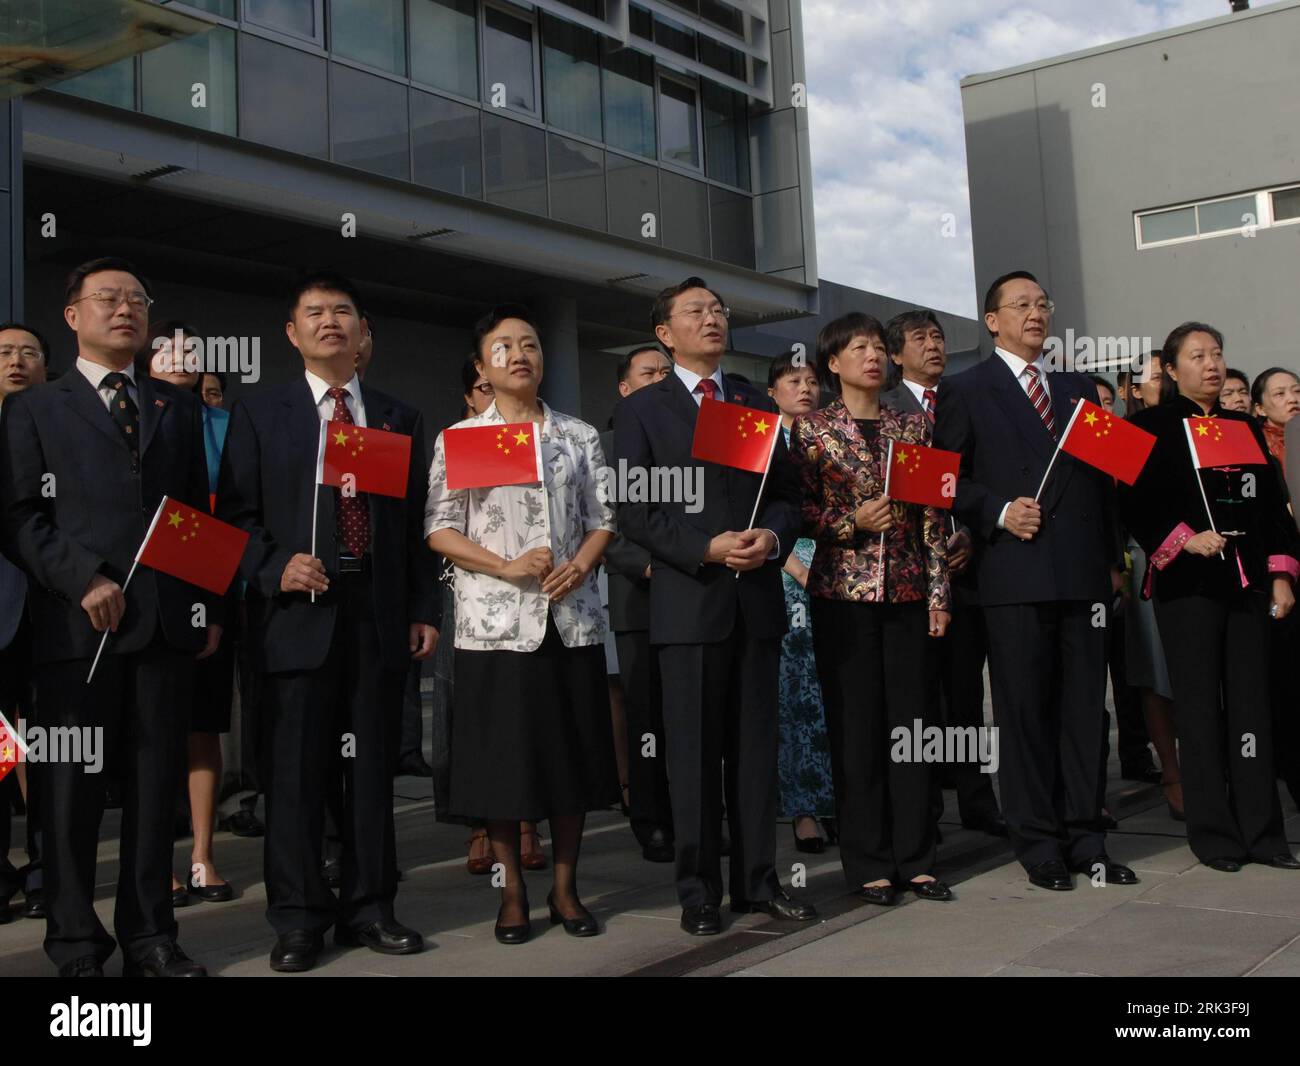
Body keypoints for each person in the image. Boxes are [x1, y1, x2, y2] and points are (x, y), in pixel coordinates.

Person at [217, 271, 439, 972]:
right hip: (295, 616)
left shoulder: (395, 417)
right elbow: (233, 521)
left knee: (371, 772)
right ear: (292, 332)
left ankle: (372, 906)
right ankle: (299, 917)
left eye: (343, 310)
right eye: (314, 312)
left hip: (374, 616)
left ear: (363, 331)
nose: (330, 321)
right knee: (294, 776)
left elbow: (412, 531)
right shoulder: (262, 413)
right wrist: (273, 564)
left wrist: (421, 611)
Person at [0, 257, 216, 976]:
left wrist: (203, 602)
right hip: (74, 630)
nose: (124, 309)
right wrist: (81, 578)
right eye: (107, 299)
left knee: (156, 793)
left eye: (136, 299)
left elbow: (191, 517)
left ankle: (151, 936)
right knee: (68, 796)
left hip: (162, 627)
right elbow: (20, 516)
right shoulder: (33, 408)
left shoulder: (177, 407)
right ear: (73, 316)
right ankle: (74, 943)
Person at [613, 276, 816, 935]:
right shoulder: (644, 411)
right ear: (666, 333)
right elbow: (636, 512)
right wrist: (706, 548)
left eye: (719, 309)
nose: (713, 318)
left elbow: (790, 495)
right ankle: (698, 892)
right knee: (694, 759)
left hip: (755, 602)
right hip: (690, 606)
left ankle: (759, 882)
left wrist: (772, 536)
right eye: (696, 311)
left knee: (756, 755)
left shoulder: (756, 401)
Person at [933, 270, 1136, 892]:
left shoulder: (1077, 387)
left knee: (1084, 713)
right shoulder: (966, 388)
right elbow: (941, 480)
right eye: (1020, 305)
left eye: (1043, 304)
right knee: (1023, 712)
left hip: (1081, 572)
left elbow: (1111, 479)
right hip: (1013, 572)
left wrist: (1115, 561)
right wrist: (995, 510)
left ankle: (1087, 838)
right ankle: (1038, 841)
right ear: (991, 320)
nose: (1035, 313)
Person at [425, 305, 618, 944]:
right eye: (503, 347)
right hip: (494, 624)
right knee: (502, 765)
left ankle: (565, 887)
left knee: (569, 760)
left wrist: (582, 564)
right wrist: (504, 565)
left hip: (569, 619)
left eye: (530, 344)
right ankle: (511, 893)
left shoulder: (579, 435)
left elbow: (604, 517)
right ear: (482, 366)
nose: (519, 355)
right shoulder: (461, 437)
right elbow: (439, 526)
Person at [1120, 323, 1299, 872]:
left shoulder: (1245, 426)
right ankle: (1215, 834)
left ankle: (1264, 832)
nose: (1212, 364)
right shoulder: (1145, 427)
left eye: (1217, 354)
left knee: (1251, 709)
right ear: (1172, 371)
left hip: (1247, 587)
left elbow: (1274, 509)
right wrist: (1182, 538)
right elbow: (1132, 505)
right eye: (1197, 356)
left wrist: (1282, 577)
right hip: (1187, 588)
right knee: (1197, 710)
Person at [791, 314, 952, 904]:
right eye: (858, 347)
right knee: (856, 731)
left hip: (909, 596)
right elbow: (797, 512)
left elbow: (934, 517)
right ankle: (868, 863)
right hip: (841, 597)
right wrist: (847, 522)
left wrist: (939, 595)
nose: (873, 356)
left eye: (880, 347)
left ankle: (918, 857)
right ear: (832, 363)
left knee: (912, 728)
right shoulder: (810, 432)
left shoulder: (914, 425)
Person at [883, 309, 1007, 838]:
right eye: (919, 338)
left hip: (970, 570)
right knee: (918, 696)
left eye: (937, 336)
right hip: (910, 575)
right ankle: (924, 810)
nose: (933, 345)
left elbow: (982, 478)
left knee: (966, 696)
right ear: (895, 354)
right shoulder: (886, 408)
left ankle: (978, 799)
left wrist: (972, 536)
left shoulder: (969, 397)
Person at [145, 321, 237, 907]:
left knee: (203, 725)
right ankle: (157, 865)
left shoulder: (225, 427)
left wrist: (214, 604)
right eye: (168, 353)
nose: (181, 362)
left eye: (191, 355)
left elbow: (222, 516)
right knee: (150, 737)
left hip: (205, 588)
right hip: (139, 600)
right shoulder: (131, 422)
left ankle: (202, 855)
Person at [602, 345, 676, 863]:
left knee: (691, 715)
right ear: (624, 390)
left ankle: (697, 815)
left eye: (665, 373)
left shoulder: (691, 435)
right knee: (647, 716)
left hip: (695, 593)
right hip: (639, 595)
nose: (659, 380)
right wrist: (647, 565)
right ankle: (651, 819)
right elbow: (599, 523)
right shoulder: (605, 445)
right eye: (648, 374)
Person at [766, 350, 836, 854]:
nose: (805, 388)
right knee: (795, 697)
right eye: (793, 380)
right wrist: (791, 562)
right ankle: (803, 810)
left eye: (812, 380)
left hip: (839, 570)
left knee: (837, 689)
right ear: (772, 391)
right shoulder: (762, 437)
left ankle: (845, 803)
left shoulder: (835, 435)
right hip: (783, 575)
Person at [1119, 355, 1182, 817]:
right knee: (1155, 671)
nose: (1165, 382)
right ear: (1135, 390)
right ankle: (1173, 771)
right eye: (1156, 377)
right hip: (1144, 561)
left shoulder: (1196, 427)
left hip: (1204, 560)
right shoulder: (1123, 436)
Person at [0, 322, 48, 923]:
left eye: (28, 353)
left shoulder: (63, 428)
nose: (16, 362)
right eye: (6, 353)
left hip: (57, 612)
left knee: (51, 749)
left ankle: (47, 870)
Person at [1251, 367, 1300, 474]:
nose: (1293, 399)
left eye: (1297, 391)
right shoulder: (1254, 446)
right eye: (1280, 394)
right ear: (1260, 409)